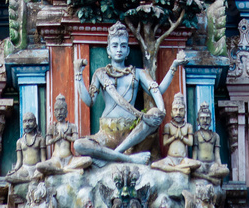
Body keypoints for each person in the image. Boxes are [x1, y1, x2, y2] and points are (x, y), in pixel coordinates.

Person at [73, 21, 186, 165]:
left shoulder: (138, 73)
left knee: (155, 114)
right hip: (106, 133)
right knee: (79, 145)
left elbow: (158, 90)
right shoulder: (100, 74)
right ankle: (128, 158)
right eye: (115, 45)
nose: (119, 49)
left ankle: (113, 155)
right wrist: (78, 74)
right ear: (108, 50)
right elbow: (89, 101)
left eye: (123, 45)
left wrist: (174, 66)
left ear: (127, 51)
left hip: (132, 134)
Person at [35, 94, 92, 176]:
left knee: (88, 160)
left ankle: (66, 168)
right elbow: (47, 142)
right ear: (54, 112)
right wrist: (57, 138)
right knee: (39, 166)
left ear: (66, 112)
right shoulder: (52, 127)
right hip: (55, 159)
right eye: (57, 110)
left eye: (62, 110)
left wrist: (65, 137)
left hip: (69, 159)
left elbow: (76, 140)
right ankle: (65, 171)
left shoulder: (72, 126)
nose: (59, 113)